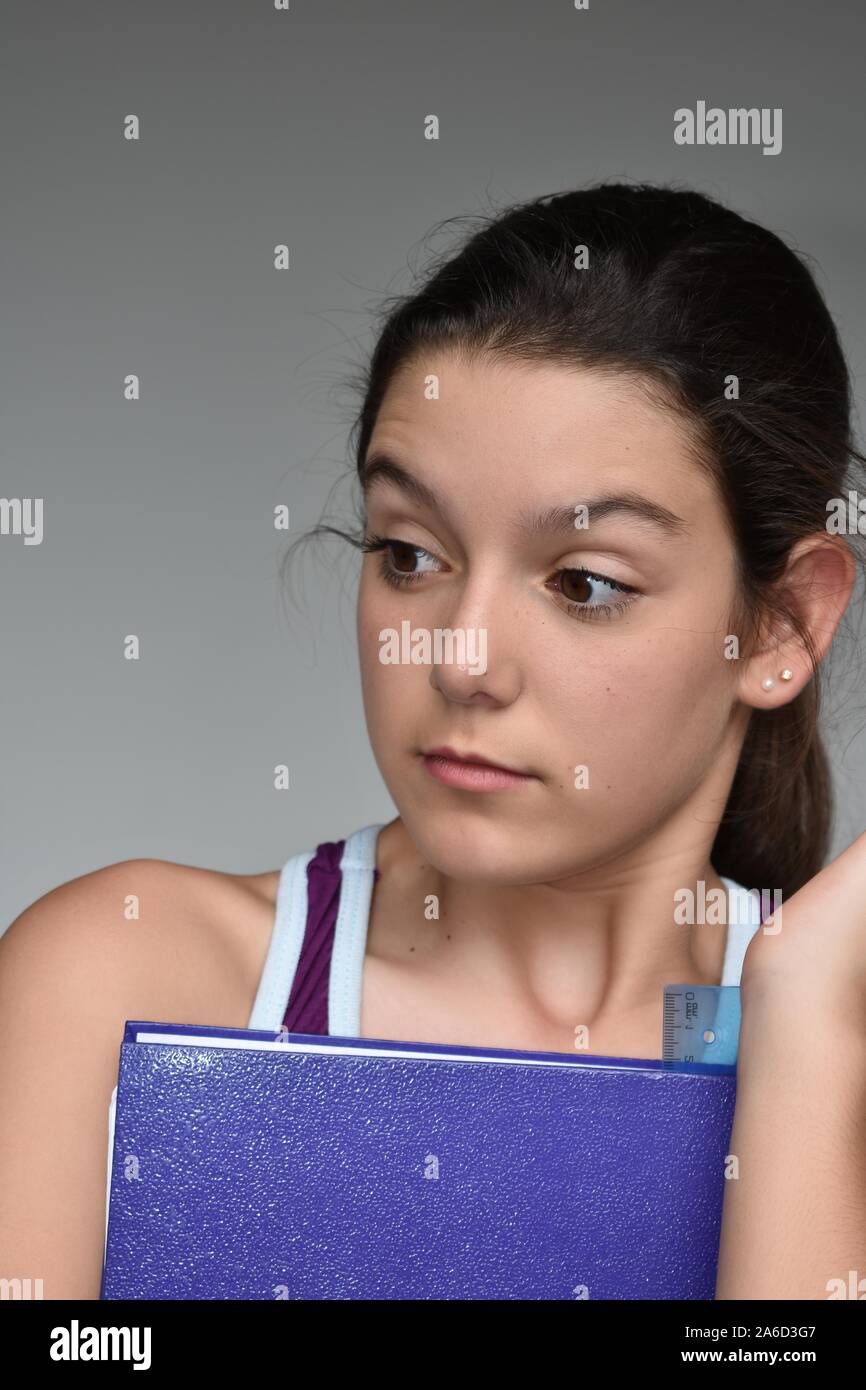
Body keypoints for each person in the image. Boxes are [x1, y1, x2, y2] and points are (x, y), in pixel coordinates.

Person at [2, 181, 865, 1301]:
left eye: (582, 581)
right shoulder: (117, 981)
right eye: (410, 553)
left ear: (779, 623)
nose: (458, 658)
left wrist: (799, 1039)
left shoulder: (837, 1049)